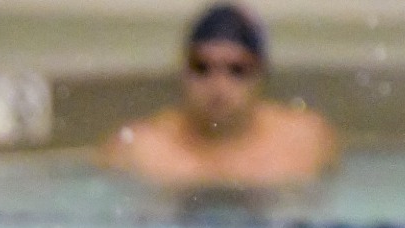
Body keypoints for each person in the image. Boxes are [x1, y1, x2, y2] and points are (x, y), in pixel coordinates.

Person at [97, 3, 337, 189]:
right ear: (183, 73)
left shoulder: (305, 142)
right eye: (202, 68)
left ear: (260, 76)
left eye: (237, 70)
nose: (218, 86)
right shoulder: (139, 151)